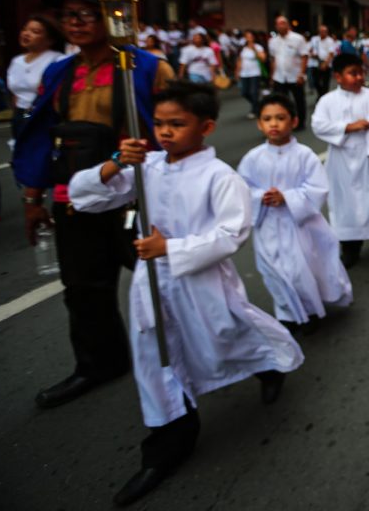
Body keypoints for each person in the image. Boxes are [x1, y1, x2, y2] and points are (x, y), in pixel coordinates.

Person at [68, 81, 302, 506]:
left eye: (178, 124)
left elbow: (232, 233)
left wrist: (171, 248)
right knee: (156, 356)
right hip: (152, 283)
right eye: (159, 123)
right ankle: (167, 443)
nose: (165, 132)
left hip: (202, 279)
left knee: (226, 334)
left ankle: (268, 364)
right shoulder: (148, 167)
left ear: (206, 126)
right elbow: (86, 197)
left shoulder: (219, 176)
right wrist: (115, 163)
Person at [14, 0, 175, 409]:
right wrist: (34, 198)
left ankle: (199, 355)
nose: (76, 22)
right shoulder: (58, 72)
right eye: (69, 15)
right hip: (76, 197)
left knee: (170, 281)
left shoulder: (147, 68)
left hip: (136, 196)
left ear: (111, 17)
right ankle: (98, 364)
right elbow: (42, 139)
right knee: (83, 289)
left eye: (86, 13)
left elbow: (176, 127)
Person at [238, 93, 352, 330]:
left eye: (280, 118)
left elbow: (317, 188)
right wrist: (261, 197)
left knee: (302, 271)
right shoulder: (252, 158)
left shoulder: (304, 155)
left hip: (300, 226)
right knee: (274, 272)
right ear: (259, 123)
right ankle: (288, 312)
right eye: (267, 119)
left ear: (294, 121)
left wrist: (287, 198)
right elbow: (242, 189)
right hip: (267, 225)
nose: (274, 124)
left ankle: (309, 311)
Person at [311, 53, 369, 268]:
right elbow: (318, 125)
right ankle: (351, 247)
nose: (359, 77)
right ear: (338, 77)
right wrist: (348, 127)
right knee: (346, 204)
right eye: (353, 73)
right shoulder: (327, 101)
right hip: (341, 158)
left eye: (361, 72)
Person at [7, 13, 66, 143]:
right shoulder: (17, 61)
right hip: (21, 114)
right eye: (25, 29)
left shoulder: (57, 60)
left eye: (35, 31)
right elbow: (16, 93)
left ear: (50, 40)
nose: (26, 34)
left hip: (43, 115)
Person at [268, 16, 309, 132]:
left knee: (299, 100)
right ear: (276, 26)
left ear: (288, 25)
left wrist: (302, 74)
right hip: (279, 77)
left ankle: (300, 123)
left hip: (295, 76)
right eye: (278, 24)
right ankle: (284, 122)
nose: (281, 26)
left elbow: (304, 56)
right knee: (281, 101)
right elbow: (273, 59)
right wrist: (272, 76)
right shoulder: (273, 41)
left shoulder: (298, 39)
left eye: (283, 23)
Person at [236, 30, 266, 119]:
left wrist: (254, 49)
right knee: (244, 92)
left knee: (254, 92)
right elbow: (239, 60)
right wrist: (237, 71)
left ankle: (254, 110)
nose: (249, 38)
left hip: (255, 73)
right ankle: (258, 104)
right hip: (244, 73)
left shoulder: (258, 47)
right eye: (247, 36)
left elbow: (263, 59)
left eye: (251, 36)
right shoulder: (243, 48)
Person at [311, 25, 339, 99]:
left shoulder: (330, 40)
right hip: (316, 62)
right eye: (322, 31)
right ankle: (321, 94)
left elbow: (331, 54)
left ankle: (323, 97)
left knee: (325, 83)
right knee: (315, 81)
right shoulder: (315, 39)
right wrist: (312, 54)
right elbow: (311, 49)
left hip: (326, 63)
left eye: (325, 31)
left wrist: (325, 63)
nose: (323, 33)